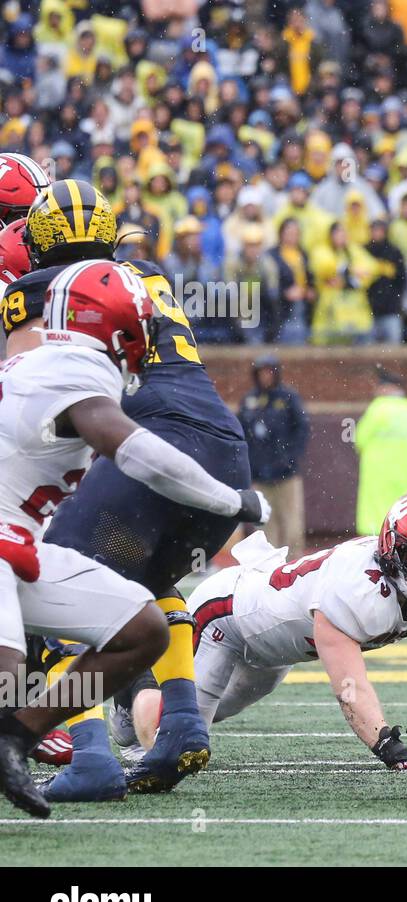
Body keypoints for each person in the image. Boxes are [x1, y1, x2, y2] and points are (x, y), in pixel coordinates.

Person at [3, 180, 265, 801]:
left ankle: (89, 754)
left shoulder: (44, 301)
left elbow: (123, 439)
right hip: (223, 444)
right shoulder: (139, 277)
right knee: (137, 582)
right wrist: (232, 500)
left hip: (154, 446)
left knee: (91, 577)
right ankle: (179, 722)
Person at [125, 492, 407, 770]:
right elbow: (349, 686)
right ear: (390, 546)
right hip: (227, 614)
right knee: (178, 739)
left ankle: (140, 692)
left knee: (218, 710)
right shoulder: (355, 587)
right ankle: (129, 692)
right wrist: (393, 752)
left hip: (279, 649)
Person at [239, 354, 311, 557]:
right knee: (265, 527)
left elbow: (302, 429)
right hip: (260, 476)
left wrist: (289, 459)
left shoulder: (288, 398)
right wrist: (251, 464)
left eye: (269, 372)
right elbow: (242, 433)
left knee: (292, 525)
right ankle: (269, 567)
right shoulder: (249, 400)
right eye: (261, 372)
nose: (266, 376)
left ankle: (293, 567)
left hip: (286, 475)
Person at [354, 366, 407, 535]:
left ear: (386, 388)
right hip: (406, 469)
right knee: (406, 507)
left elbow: (360, 439)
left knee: (375, 509)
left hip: (377, 470)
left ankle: (377, 541)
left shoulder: (378, 408)